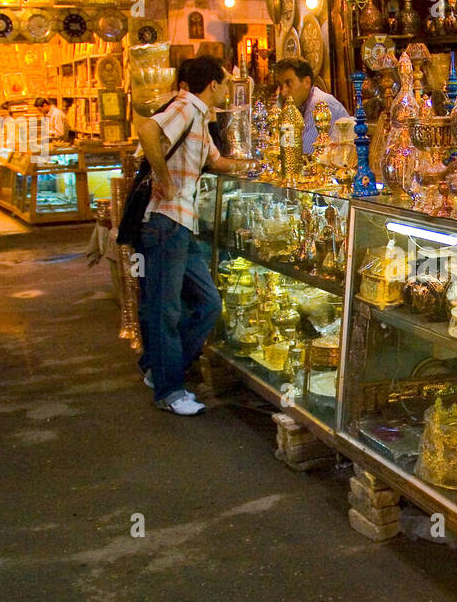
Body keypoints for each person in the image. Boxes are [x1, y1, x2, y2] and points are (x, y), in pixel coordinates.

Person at [136, 55, 248, 415]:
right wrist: (165, 180)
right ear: (212, 84)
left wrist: (260, 166)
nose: (229, 88)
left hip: (183, 225)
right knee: (165, 309)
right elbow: (147, 130)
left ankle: (161, 367)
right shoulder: (185, 106)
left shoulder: (199, 115)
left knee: (209, 303)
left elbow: (215, 162)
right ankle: (170, 391)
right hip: (166, 221)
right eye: (226, 82)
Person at [272, 58, 349, 155]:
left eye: (289, 83)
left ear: (307, 82)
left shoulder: (319, 105)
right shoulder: (300, 106)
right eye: (280, 85)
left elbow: (301, 154)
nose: (283, 92)